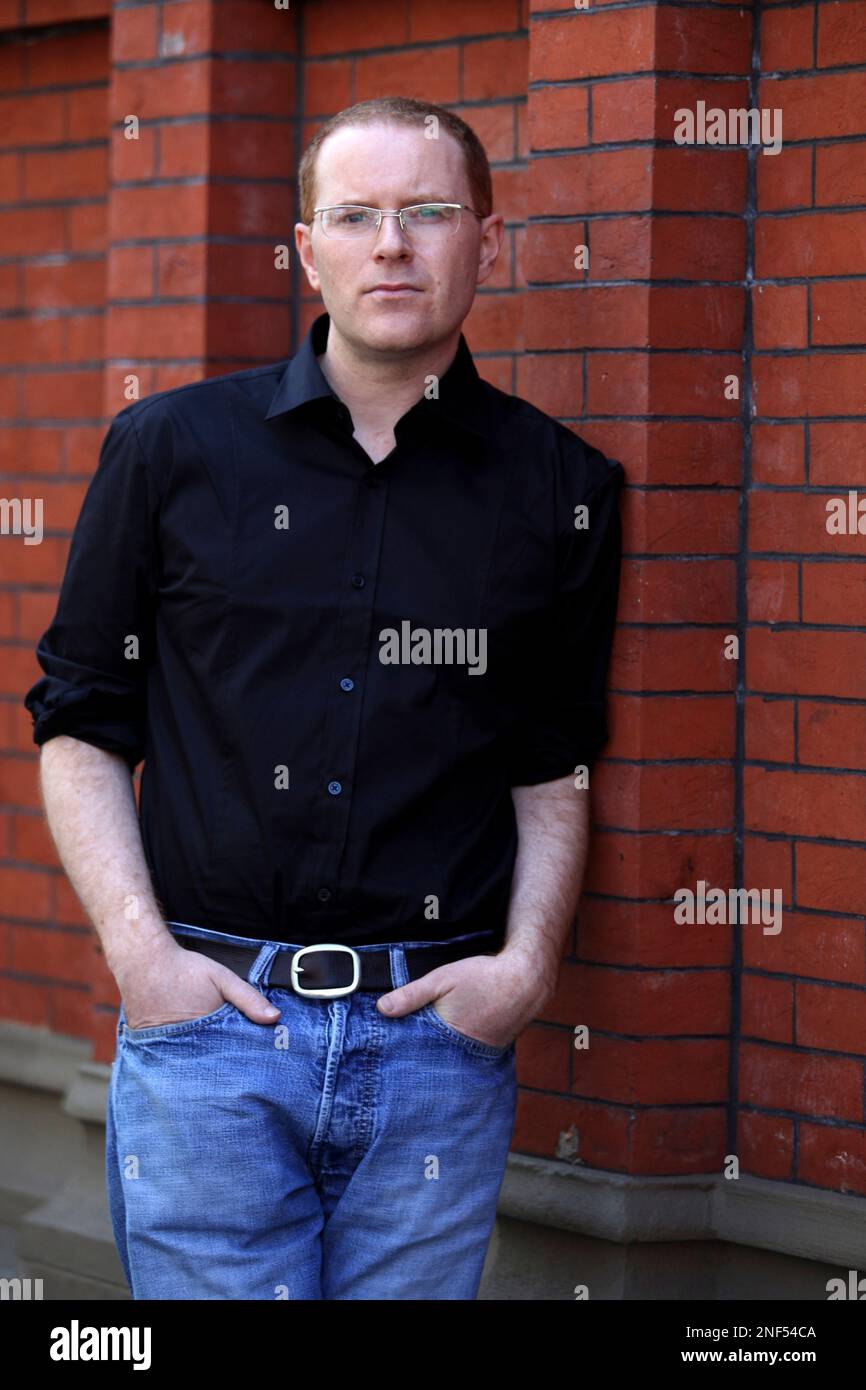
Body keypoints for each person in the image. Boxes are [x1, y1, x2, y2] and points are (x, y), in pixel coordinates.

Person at [23, 95, 624, 1300]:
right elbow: (81, 719)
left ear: (486, 244)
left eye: (427, 212)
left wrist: (523, 970)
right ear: (307, 249)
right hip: (210, 1031)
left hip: (435, 1050)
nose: (390, 244)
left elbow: (551, 759)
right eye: (354, 216)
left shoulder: (560, 483)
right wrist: (146, 962)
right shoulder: (170, 449)